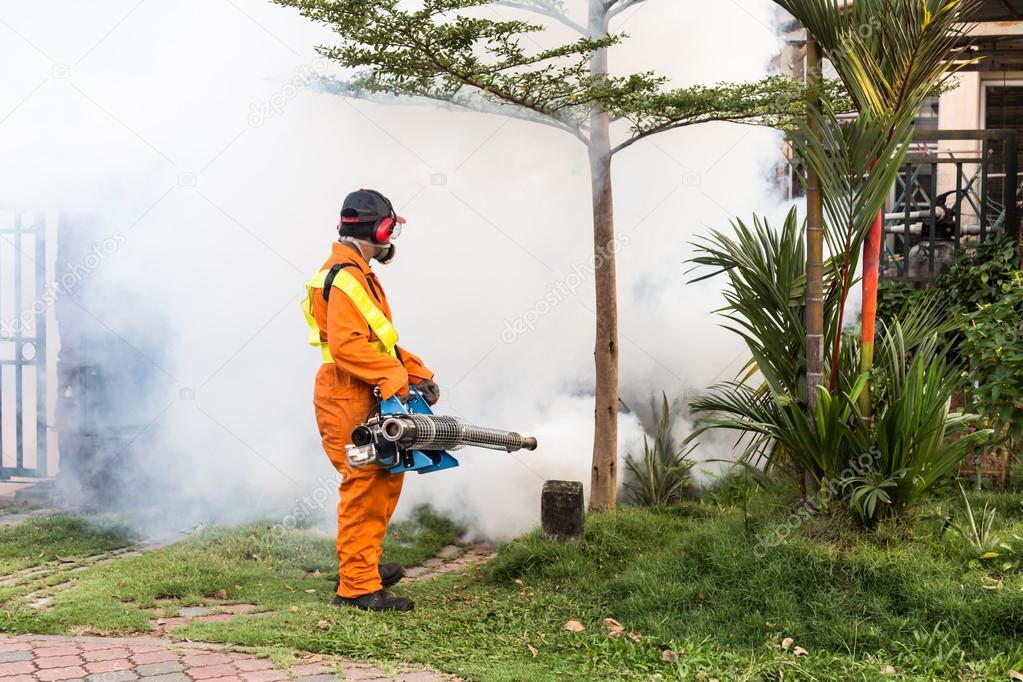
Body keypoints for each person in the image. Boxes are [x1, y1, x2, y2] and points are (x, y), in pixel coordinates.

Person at [301, 189, 440, 612]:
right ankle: (357, 588)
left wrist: (416, 371)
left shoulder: (357, 272)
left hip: (362, 388)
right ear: (379, 230)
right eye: (389, 229)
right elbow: (346, 347)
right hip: (347, 393)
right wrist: (394, 376)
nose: (390, 239)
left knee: (384, 476)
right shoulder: (345, 277)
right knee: (364, 483)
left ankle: (364, 564)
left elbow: (380, 342)